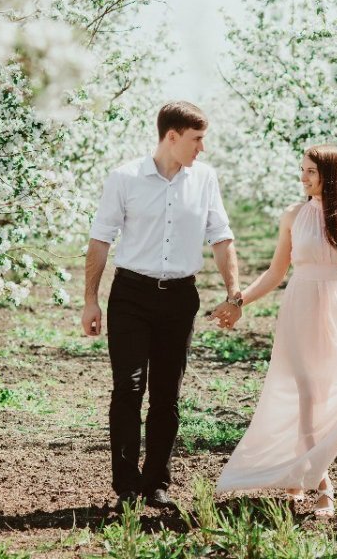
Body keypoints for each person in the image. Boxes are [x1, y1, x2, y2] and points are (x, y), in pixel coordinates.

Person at [211, 144, 337, 517]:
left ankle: (298, 473)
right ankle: (322, 483)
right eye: (302, 170)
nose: (303, 177)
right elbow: (276, 273)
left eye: (310, 171)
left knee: (323, 394)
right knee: (307, 391)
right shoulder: (293, 215)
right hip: (301, 308)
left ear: (330, 174)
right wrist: (238, 302)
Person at [82, 101, 240, 511]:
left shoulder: (205, 179)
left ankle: (156, 484)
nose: (202, 148)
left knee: (167, 395)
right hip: (131, 296)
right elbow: (100, 240)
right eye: (196, 139)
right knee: (128, 390)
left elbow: (221, 239)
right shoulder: (125, 178)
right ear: (172, 136)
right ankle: (126, 488)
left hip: (180, 298)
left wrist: (233, 293)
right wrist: (90, 301)